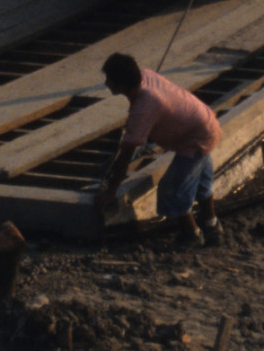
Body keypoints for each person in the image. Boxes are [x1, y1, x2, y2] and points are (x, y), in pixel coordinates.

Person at [95, 52, 223, 248]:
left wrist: (111, 190)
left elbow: (126, 153)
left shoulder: (145, 105)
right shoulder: (145, 75)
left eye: (109, 80)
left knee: (172, 190)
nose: (106, 84)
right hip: (205, 124)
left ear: (121, 85)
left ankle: (191, 234)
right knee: (200, 184)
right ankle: (212, 226)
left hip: (195, 139)